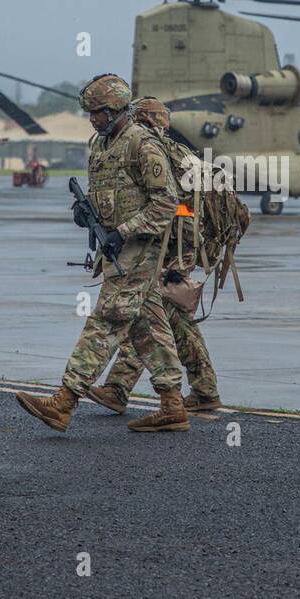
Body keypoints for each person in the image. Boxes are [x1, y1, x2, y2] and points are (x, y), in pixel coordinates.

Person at [15, 74, 190, 434]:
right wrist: (84, 213)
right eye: (91, 113)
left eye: (98, 112)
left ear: (116, 110)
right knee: (148, 326)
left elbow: (166, 202)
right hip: (117, 250)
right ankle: (173, 406)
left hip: (138, 249)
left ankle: (63, 402)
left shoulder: (142, 144)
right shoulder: (99, 144)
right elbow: (105, 193)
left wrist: (123, 232)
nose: (93, 119)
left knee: (108, 319)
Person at [87, 97, 223, 413]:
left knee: (146, 318)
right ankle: (204, 390)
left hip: (163, 251)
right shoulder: (179, 154)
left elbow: (172, 207)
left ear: (144, 120)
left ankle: (119, 389)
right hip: (174, 250)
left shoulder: (157, 152)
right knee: (172, 322)